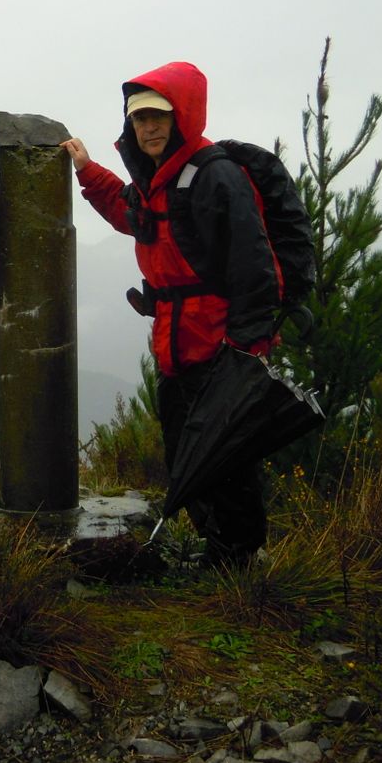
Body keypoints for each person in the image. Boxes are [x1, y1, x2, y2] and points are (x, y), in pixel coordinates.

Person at [62, 61, 283, 563]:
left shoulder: (215, 176)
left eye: (158, 116)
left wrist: (248, 344)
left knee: (225, 450)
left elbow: (254, 261)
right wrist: (87, 171)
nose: (149, 127)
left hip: (218, 340)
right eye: (139, 119)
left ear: (181, 115)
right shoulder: (158, 179)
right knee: (185, 446)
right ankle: (217, 547)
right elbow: (132, 215)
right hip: (174, 337)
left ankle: (239, 555)